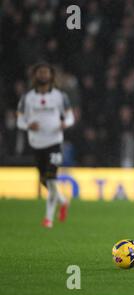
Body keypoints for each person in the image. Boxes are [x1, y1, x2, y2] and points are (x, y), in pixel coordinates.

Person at [16, 62, 74, 228]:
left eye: (46, 72)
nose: (43, 75)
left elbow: (70, 117)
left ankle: (48, 218)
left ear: (51, 76)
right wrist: (28, 125)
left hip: (54, 142)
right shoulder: (27, 98)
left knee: (51, 178)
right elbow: (19, 121)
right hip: (37, 144)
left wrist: (65, 124)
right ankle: (63, 201)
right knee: (46, 181)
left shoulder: (60, 96)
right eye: (40, 72)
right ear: (35, 75)